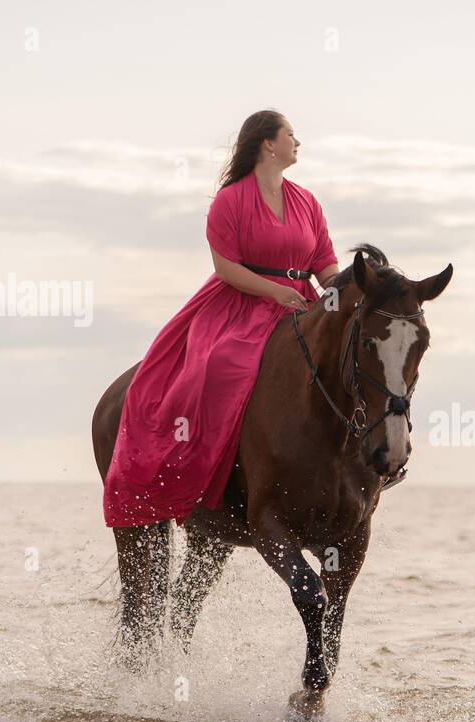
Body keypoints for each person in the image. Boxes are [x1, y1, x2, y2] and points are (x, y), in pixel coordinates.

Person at [102, 110, 401, 529]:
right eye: (291, 135)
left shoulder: (307, 201)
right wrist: (276, 290)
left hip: (301, 304)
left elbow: (325, 265)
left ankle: (365, 464)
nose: (298, 143)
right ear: (267, 143)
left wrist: (351, 294)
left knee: (345, 364)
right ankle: (214, 470)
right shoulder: (230, 201)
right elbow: (226, 267)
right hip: (240, 304)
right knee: (222, 365)